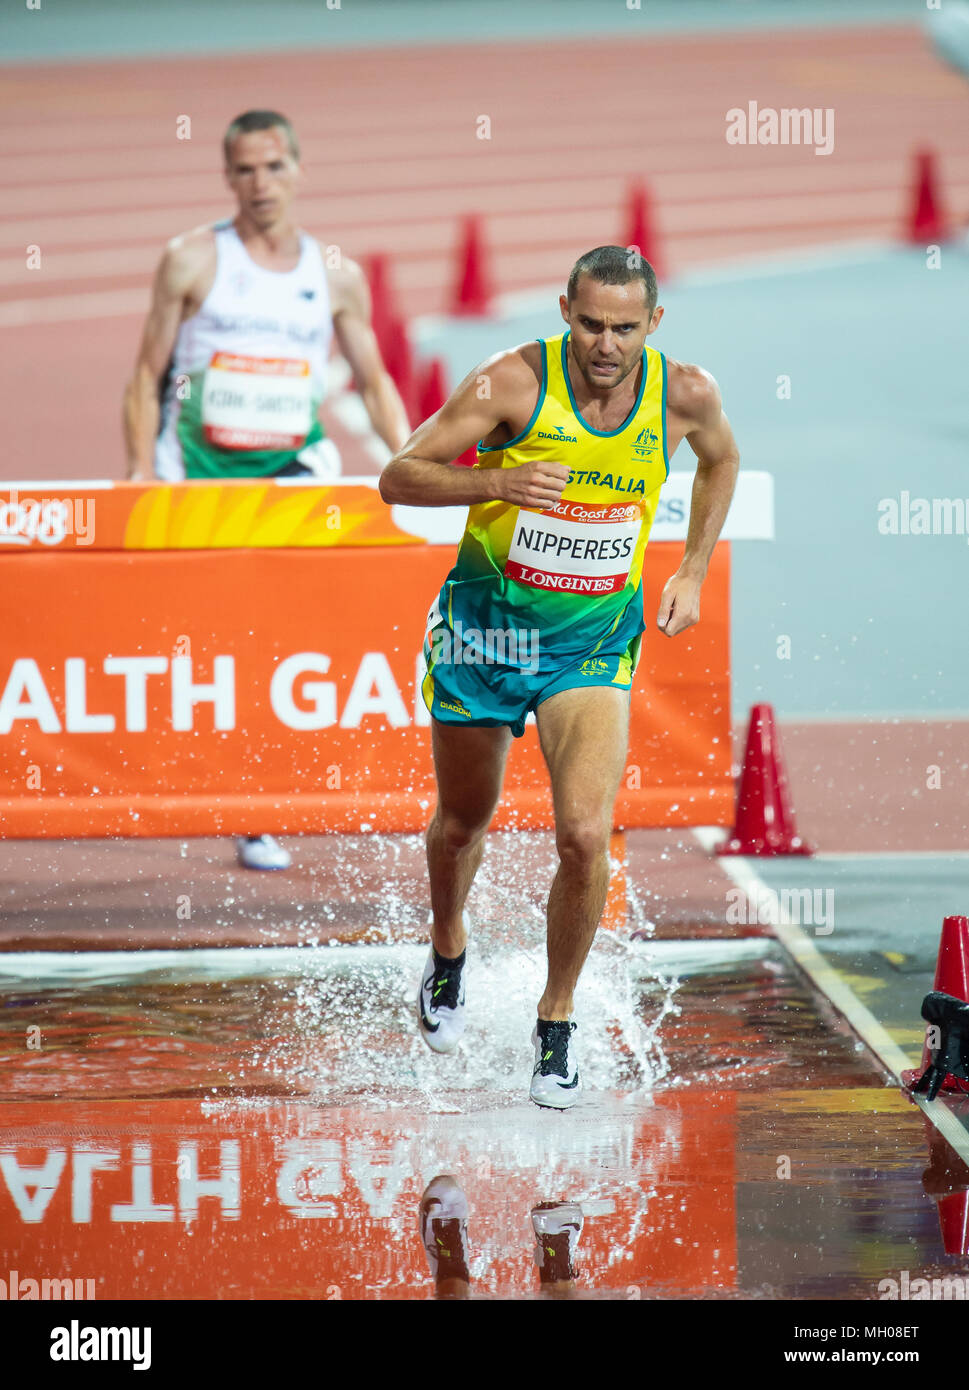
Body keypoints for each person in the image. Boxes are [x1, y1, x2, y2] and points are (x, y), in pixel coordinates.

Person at [379, 245, 739, 1108]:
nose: (604, 344)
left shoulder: (684, 393)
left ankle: (556, 1022)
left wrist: (691, 565)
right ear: (563, 313)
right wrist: (498, 478)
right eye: (588, 324)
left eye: (623, 327)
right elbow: (397, 475)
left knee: (583, 834)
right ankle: (447, 947)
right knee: (463, 823)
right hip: (483, 635)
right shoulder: (507, 384)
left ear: (653, 323)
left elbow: (719, 459)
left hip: (590, 644)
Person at [123, 109, 410, 871]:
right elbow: (147, 376)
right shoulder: (190, 259)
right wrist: (140, 478)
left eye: (274, 166)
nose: (260, 183)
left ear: (298, 170)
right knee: (214, 641)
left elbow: (376, 381)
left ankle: (284, 794)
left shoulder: (335, 276)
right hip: (198, 473)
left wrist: (413, 464)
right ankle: (238, 800)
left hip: (293, 471)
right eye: (245, 169)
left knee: (298, 631)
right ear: (227, 177)